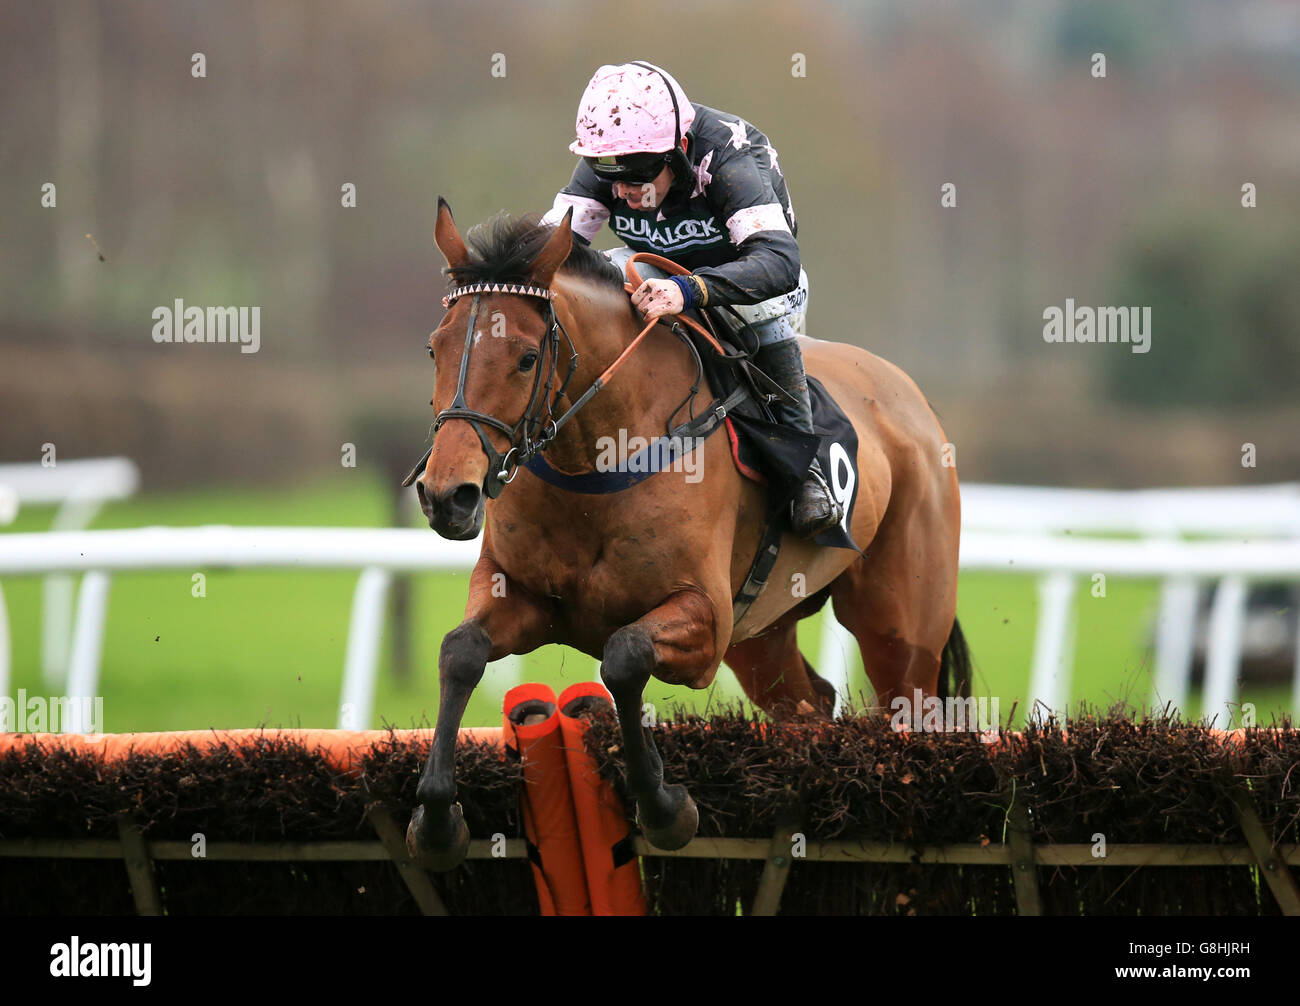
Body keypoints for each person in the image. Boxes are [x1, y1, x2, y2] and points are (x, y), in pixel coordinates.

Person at [541, 60, 843, 538]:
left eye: (639, 174)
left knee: (761, 315)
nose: (623, 190)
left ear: (679, 150)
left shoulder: (727, 157)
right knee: (596, 282)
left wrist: (688, 290)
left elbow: (778, 263)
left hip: (749, 282)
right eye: (606, 173)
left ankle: (805, 474)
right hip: (654, 269)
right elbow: (548, 249)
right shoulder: (618, 151)